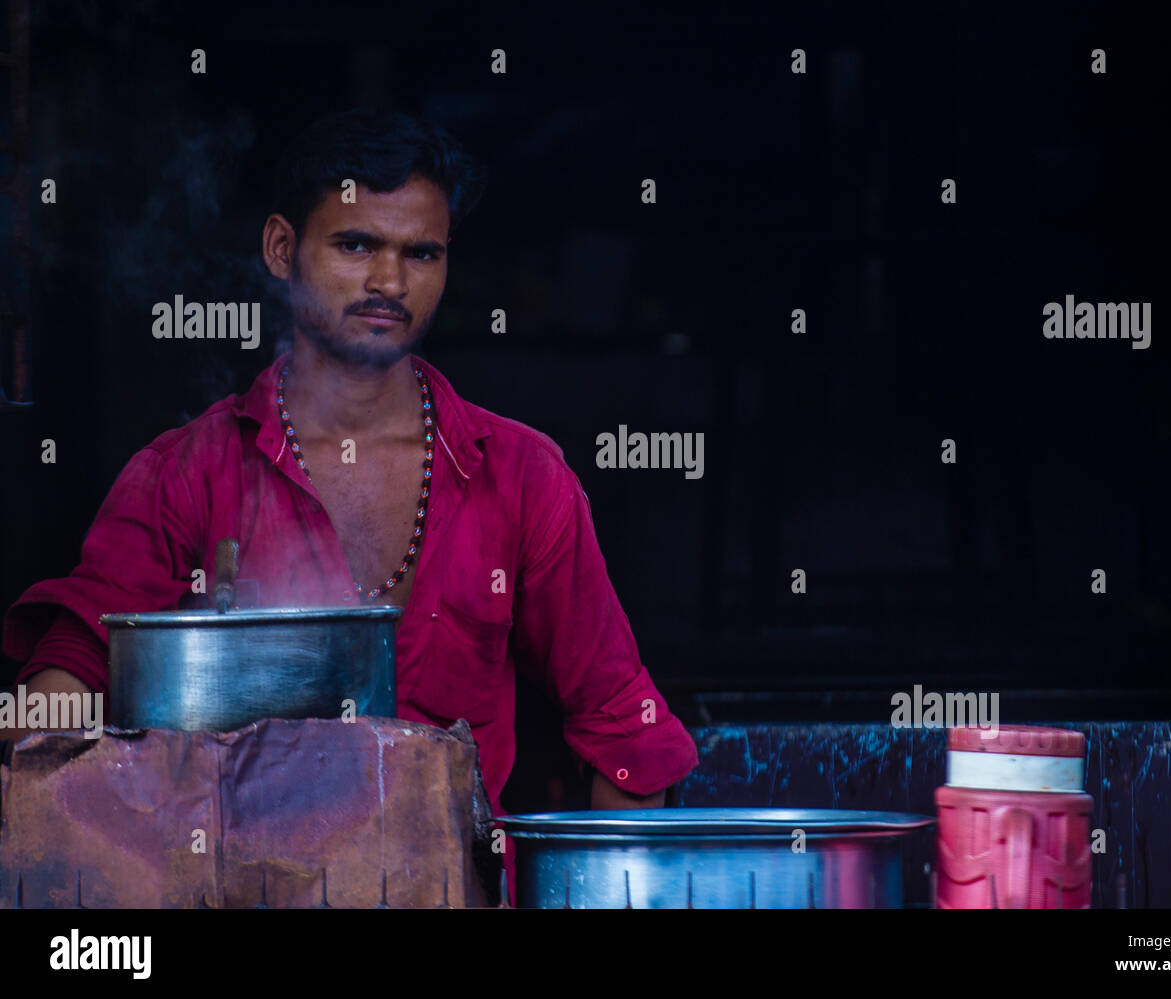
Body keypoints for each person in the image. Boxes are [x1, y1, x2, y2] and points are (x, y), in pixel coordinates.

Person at [0, 109, 699, 901]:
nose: (391, 283)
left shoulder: (523, 477)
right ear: (279, 249)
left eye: (421, 252)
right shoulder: (182, 474)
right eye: (356, 244)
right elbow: (64, 689)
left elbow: (624, 735)